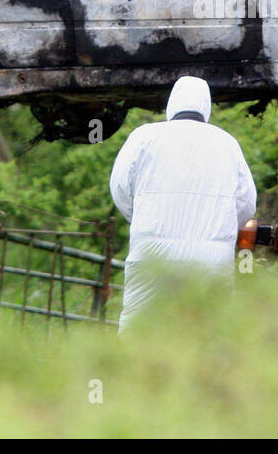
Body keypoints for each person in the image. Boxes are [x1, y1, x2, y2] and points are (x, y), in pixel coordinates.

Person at [109, 76, 257, 332]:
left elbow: (121, 189)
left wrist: (143, 220)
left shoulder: (143, 136)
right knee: (212, 333)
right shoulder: (227, 143)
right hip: (211, 260)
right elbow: (246, 205)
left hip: (152, 254)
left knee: (139, 329)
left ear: (171, 105)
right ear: (207, 107)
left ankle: (133, 372)